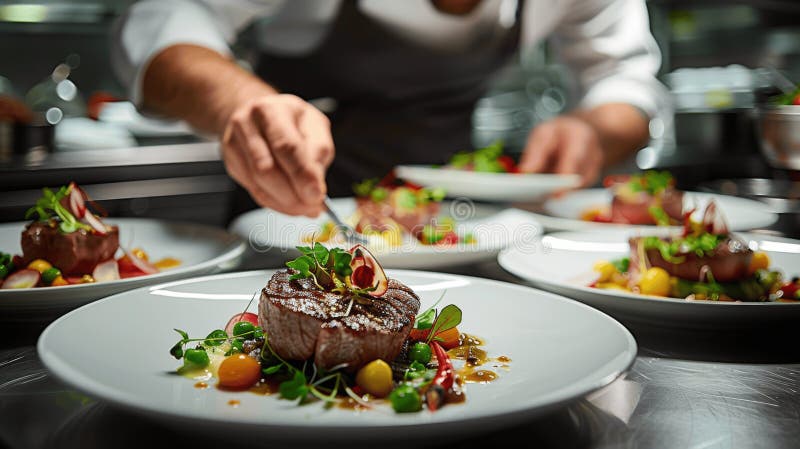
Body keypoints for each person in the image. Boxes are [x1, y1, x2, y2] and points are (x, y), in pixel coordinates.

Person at [111, 0, 670, 218]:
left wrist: (594, 130)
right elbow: (162, 17)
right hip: (291, 228)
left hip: (463, 231)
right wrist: (245, 102)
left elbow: (625, 79)